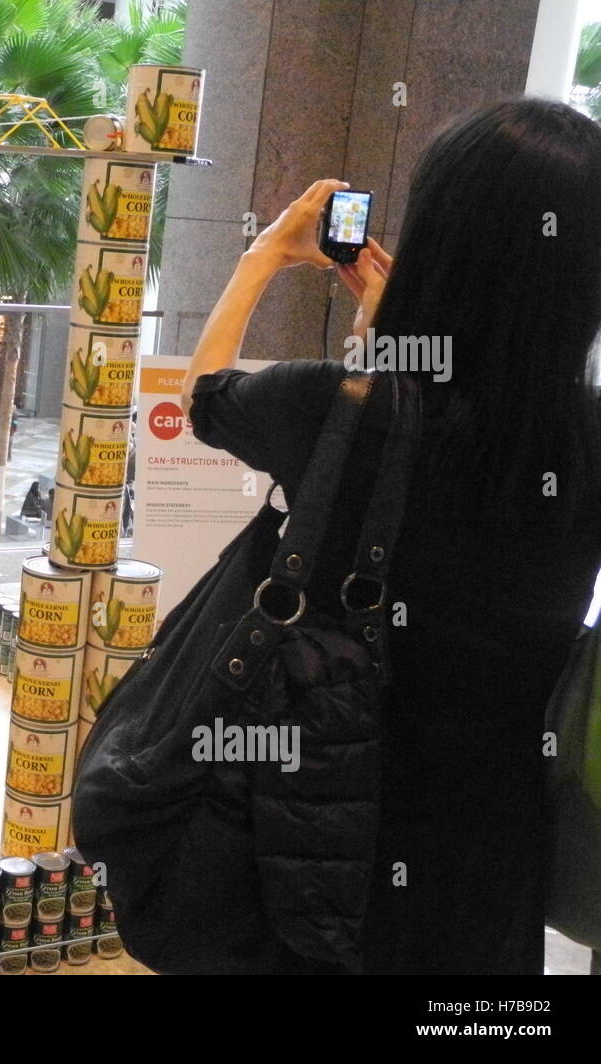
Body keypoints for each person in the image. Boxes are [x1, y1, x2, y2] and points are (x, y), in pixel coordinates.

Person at [181, 98, 601, 975]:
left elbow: (208, 395)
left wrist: (267, 255)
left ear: (440, 235)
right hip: (491, 860)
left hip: (319, 837)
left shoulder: (334, 408)